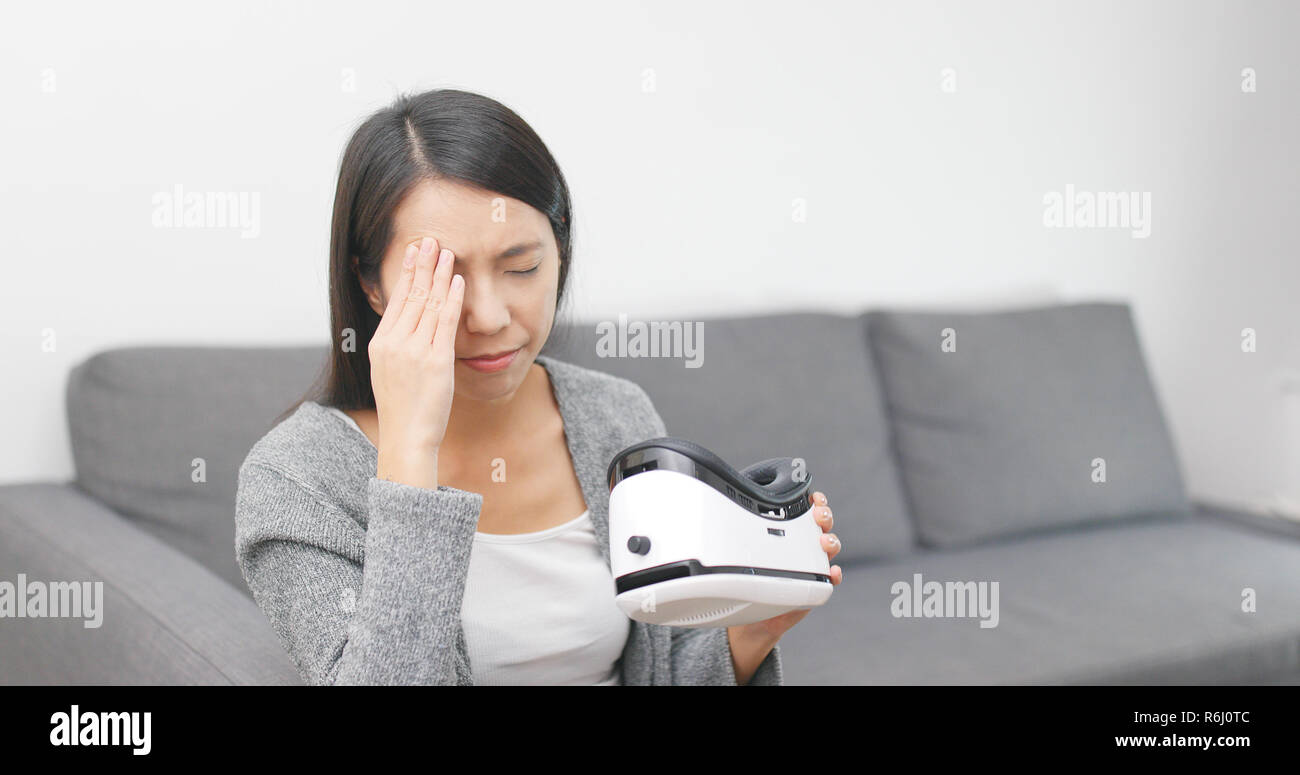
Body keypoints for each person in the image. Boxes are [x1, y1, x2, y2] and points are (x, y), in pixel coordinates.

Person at [234, 88, 843, 685]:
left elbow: (665, 670)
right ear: (371, 285)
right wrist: (409, 457)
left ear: (560, 253)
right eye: (444, 278)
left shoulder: (613, 415)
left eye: (522, 267)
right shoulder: (295, 479)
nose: (491, 316)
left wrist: (753, 628)